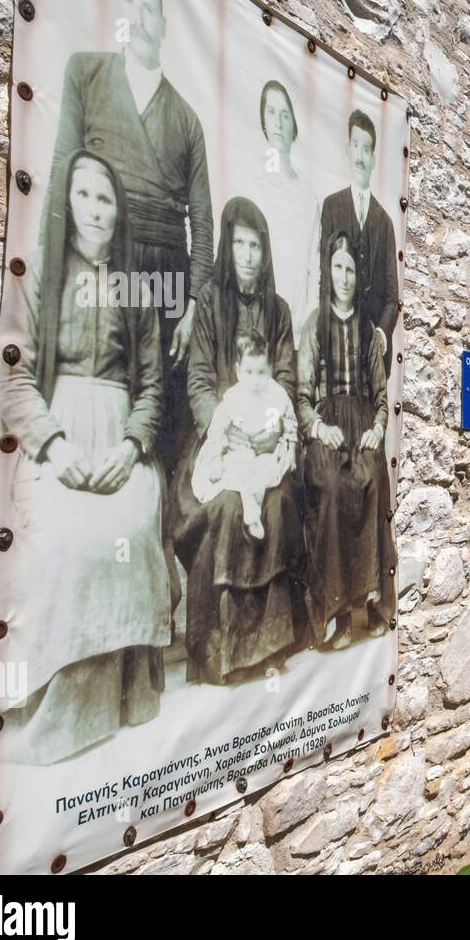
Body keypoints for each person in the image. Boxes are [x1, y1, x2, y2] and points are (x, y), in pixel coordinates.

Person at [0, 149, 169, 765]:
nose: (95, 209)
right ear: (67, 204)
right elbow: (15, 376)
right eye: (84, 196)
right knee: (69, 543)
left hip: (118, 438)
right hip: (61, 437)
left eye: (105, 197)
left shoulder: (136, 288)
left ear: (118, 208)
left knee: (130, 530)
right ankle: (65, 715)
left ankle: (128, 698)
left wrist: (131, 446)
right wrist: (54, 444)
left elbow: (153, 387)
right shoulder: (42, 275)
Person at [44, 0, 214, 475]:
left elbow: (203, 224)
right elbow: (60, 177)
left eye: (149, 9)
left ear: (163, 24)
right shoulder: (87, 74)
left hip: (166, 271)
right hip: (98, 257)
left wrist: (192, 304)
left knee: (160, 401)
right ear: (118, 9)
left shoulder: (188, 120)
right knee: (97, 379)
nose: (139, 19)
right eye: (130, 4)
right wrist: (55, 269)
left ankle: (154, 510)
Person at [175, 197, 308, 685]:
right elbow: (199, 381)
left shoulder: (279, 311)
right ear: (228, 248)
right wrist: (228, 427)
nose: (248, 255)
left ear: (265, 251)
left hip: (269, 442)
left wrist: (270, 429)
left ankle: (270, 644)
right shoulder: (211, 302)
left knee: (276, 504)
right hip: (223, 437)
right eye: (240, 244)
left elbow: (287, 379)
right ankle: (224, 653)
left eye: (256, 246)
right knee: (228, 507)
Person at [297, 231, 396, 648]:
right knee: (333, 487)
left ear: (358, 276)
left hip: (362, 424)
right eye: (338, 268)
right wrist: (318, 428)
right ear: (329, 272)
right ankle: (335, 613)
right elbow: (302, 396)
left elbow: (381, 397)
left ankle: (370, 604)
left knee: (372, 480)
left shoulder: (368, 330)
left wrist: (377, 428)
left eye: (351, 270)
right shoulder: (314, 325)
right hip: (329, 425)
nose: (344, 277)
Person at [308, 108, 398, 372]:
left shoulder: (385, 222)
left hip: (372, 359)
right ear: (348, 150)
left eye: (366, 149)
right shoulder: (332, 206)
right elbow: (323, 275)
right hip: (337, 349)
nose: (360, 156)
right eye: (356, 146)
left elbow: (392, 296)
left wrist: (381, 335)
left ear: (373, 159)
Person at [190, 329, 298, 540]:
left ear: (270, 369)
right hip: (240, 450)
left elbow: (289, 420)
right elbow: (217, 429)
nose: (255, 381)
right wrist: (216, 458)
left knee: (269, 469)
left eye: (261, 372)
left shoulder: (276, 393)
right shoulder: (234, 397)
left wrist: (291, 448)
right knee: (237, 466)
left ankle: (254, 504)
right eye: (249, 372)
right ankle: (250, 506)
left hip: (266, 452)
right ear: (238, 371)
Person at [252, 79, 320, 343]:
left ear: (294, 127)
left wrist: (308, 324)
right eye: (271, 112)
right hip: (254, 328)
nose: (278, 123)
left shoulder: (308, 199)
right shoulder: (252, 186)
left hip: (294, 333)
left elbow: (315, 270)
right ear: (263, 123)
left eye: (285, 115)